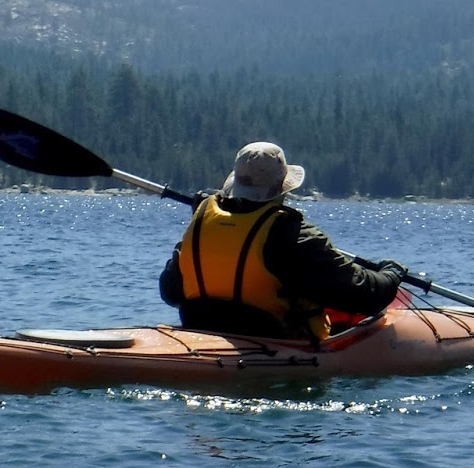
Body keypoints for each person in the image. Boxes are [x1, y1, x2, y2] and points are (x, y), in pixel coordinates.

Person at [159, 141, 403, 340]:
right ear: (281, 188)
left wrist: (199, 222)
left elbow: (171, 293)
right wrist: (391, 275)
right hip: (274, 340)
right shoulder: (294, 235)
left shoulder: (201, 220)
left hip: (202, 331)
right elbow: (364, 296)